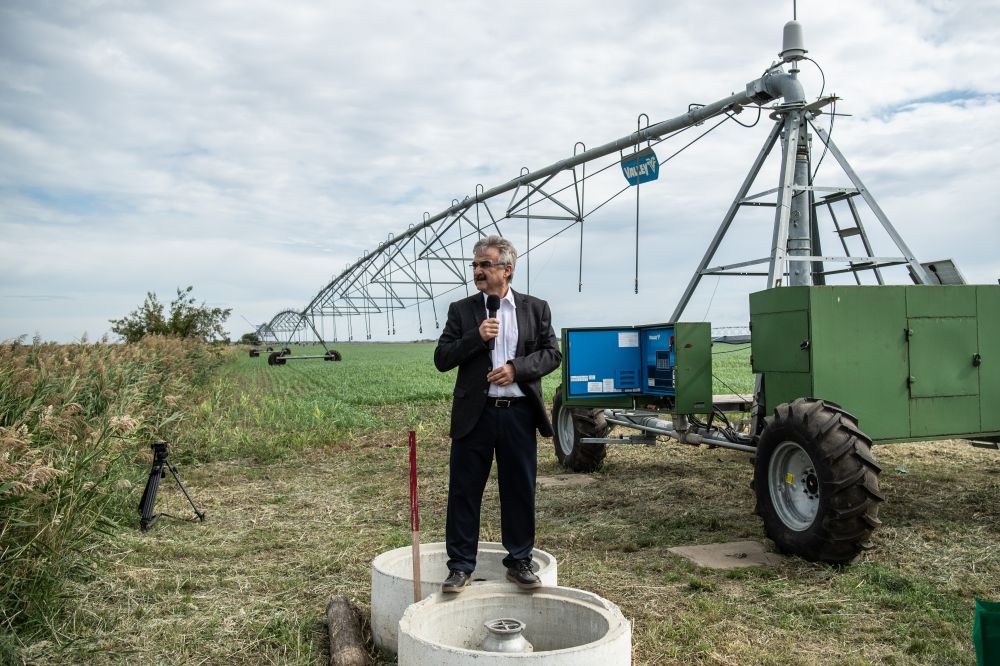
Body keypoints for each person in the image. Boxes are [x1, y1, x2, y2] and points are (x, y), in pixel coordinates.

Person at [433, 235, 561, 592]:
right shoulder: (463, 310)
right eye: (474, 265)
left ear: (507, 269)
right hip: (476, 414)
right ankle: (460, 566)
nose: (477, 271)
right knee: (464, 491)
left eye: (484, 264)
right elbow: (442, 359)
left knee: (520, 489)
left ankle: (519, 561)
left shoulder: (536, 308)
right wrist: (476, 336)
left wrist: (516, 369)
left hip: (518, 413)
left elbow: (552, 354)